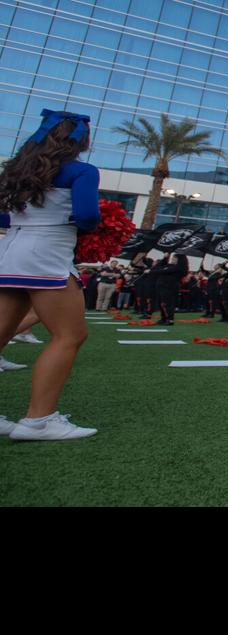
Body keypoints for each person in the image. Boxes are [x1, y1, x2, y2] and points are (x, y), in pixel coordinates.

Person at [0, 109, 101, 440]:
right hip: (46, 257)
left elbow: (3, 218)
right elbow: (87, 216)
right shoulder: (82, 171)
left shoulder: (16, 171)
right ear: (80, 140)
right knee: (69, 335)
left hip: (10, 253)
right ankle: (39, 420)